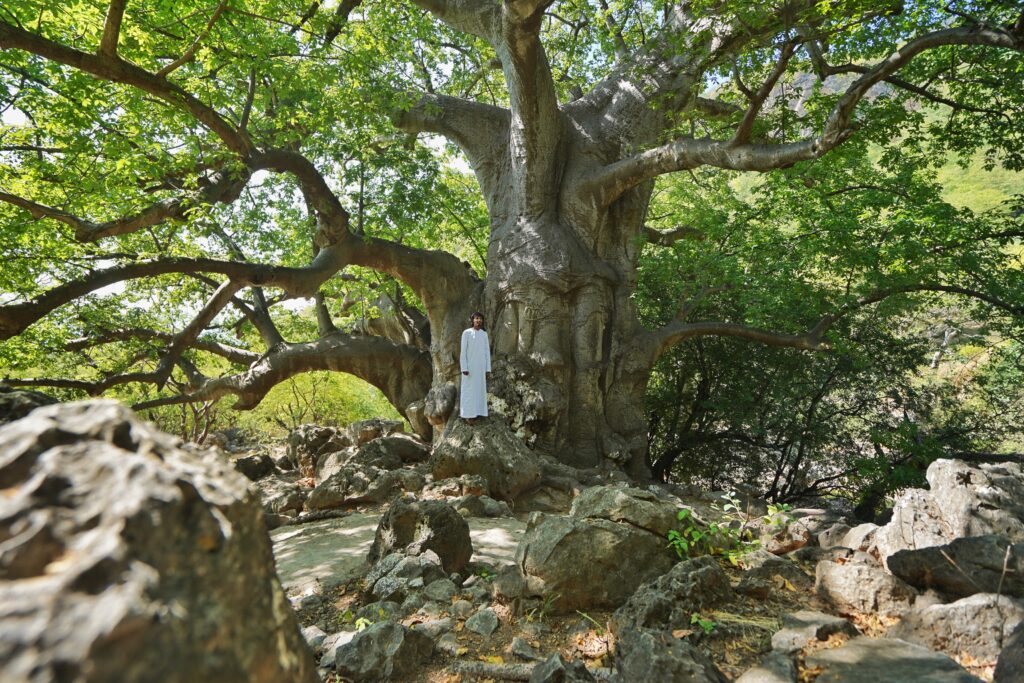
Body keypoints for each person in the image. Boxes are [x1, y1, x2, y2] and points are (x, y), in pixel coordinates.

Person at [459, 311, 491, 423]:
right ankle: (468, 415)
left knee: (480, 390)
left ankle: (479, 413)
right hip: (469, 368)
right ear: (472, 320)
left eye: (480, 318)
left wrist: (487, 369)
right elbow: (463, 352)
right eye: (476, 318)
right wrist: (464, 368)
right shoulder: (466, 333)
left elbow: (487, 352)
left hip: (481, 368)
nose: (478, 320)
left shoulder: (484, 334)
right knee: (469, 391)